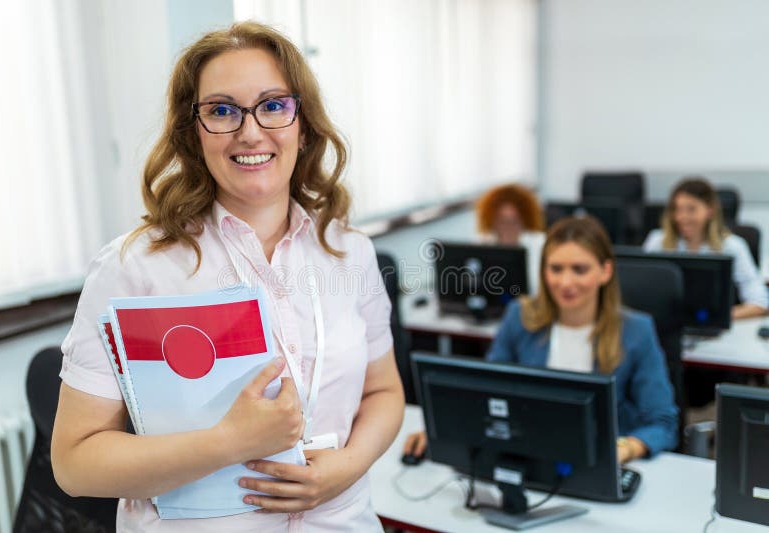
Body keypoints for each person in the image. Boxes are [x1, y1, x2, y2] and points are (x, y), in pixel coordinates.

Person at [51, 22, 404, 532]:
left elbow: (384, 393)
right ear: (192, 131)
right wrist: (228, 443)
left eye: (273, 105)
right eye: (221, 110)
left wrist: (346, 468)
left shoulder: (350, 252)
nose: (251, 131)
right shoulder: (137, 267)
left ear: (303, 123)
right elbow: (74, 463)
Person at [405, 216, 678, 464]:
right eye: (556, 269)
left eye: (579, 269)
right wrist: (443, 430)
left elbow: (663, 422)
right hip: (529, 453)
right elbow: (487, 391)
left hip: (599, 459)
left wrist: (627, 448)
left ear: (605, 271)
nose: (565, 281)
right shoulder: (520, 317)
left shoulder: (636, 331)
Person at [643, 177, 768, 319]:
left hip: (716, 331)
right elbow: (641, 292)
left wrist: (716, 319)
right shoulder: (657, 241)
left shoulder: (732, 247)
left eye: (691, 209)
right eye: (676, 209)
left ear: (710, 210)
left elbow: (760, 302)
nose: (681, 217)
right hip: (667, 327)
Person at [475, 183, 545, 293]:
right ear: (491, 222)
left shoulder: (541, 245)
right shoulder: (482, 245)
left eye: (514, 221)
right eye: (501, 221)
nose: (508, 228)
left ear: (525, 221)